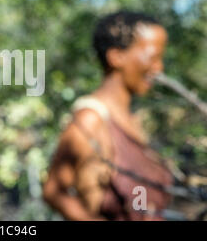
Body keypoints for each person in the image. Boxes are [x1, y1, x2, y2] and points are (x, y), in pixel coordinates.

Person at [43, 11, 173, 220]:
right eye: (152, 57)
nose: (159, 68)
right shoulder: (91, 119)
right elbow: (54, 192)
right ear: (116, 57)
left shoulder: (135, 119)